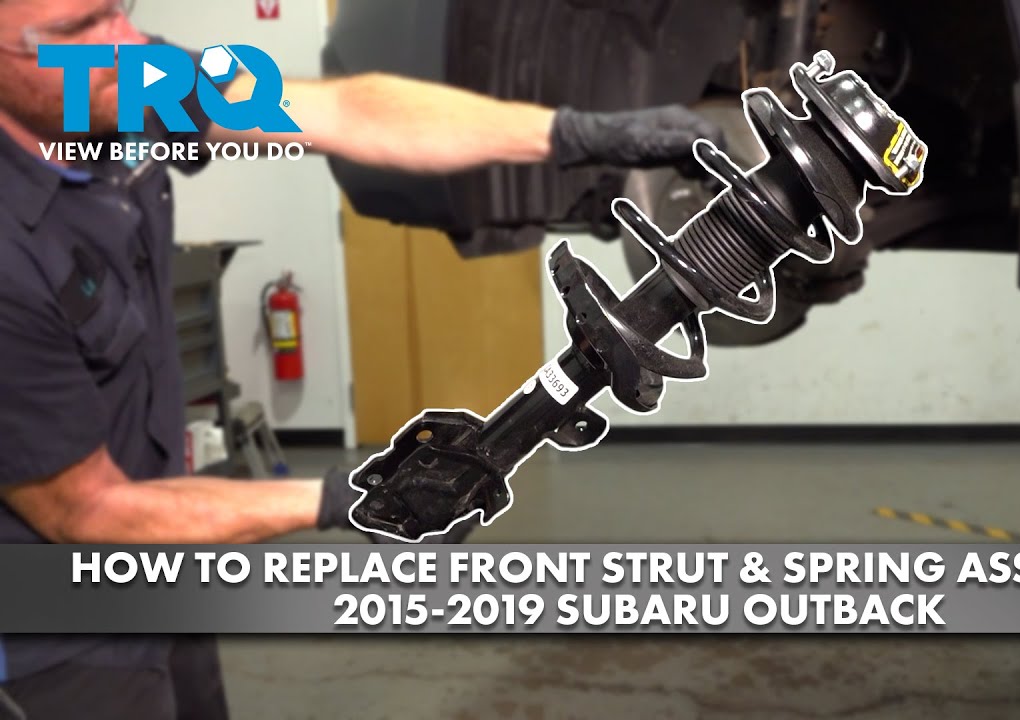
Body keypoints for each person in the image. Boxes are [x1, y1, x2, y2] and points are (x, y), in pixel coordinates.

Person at [0, 1, 724, 718]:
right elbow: (88, 512)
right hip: (63, 631)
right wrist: (344, 496)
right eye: (73, 32)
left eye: (117, 8)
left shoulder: (120, 80)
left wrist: (569, 133)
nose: (125, 42)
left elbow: (345, 111)